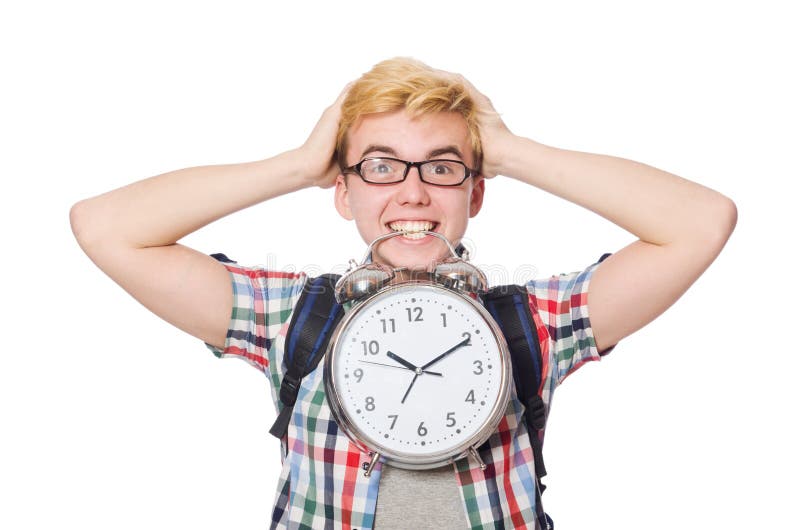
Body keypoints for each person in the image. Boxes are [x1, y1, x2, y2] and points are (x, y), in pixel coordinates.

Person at [70, 57, 737, 529]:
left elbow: (701, 223)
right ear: (344, 188)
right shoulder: (293, 318)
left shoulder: (531, 324)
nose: (412, 193)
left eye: (442, 168)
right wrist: (298, 164)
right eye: (381, 166)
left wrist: (507, 150)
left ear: (475, 191)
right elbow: (105, 228)